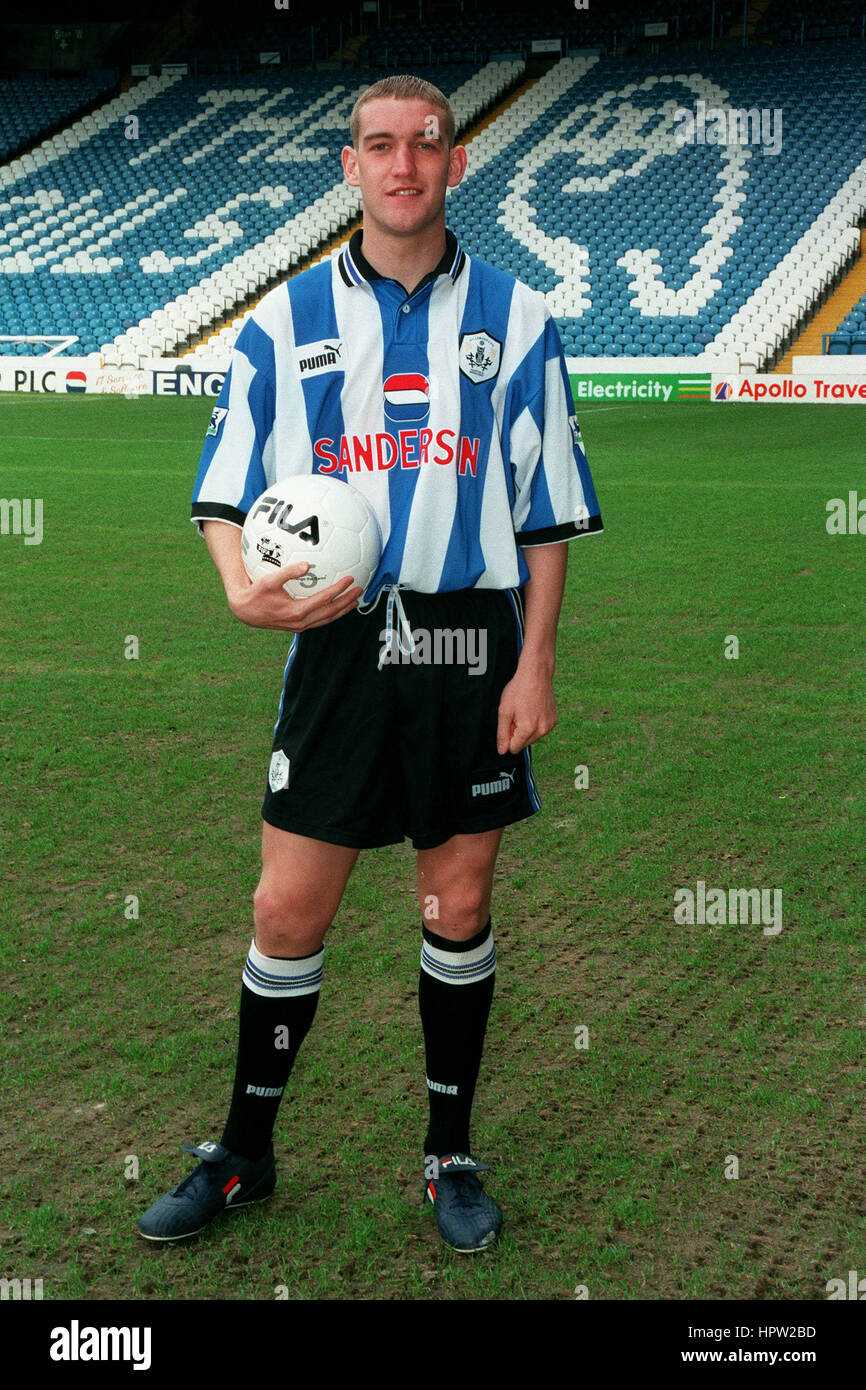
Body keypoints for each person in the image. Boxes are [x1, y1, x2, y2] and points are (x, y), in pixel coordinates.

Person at [138, 74, 602, 1254]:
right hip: (338, 641)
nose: (403, 166)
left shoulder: (523, 319)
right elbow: (225, 491)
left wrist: (533, 661)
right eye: (380, 146)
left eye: (426, 145)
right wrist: (239, 588)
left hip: (465, 641)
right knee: (284, 911)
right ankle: (244, 1149)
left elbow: (544, 514)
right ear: (349, 167)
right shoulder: (280, 323)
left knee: (456, 900)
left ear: (455, 163)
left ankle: (448, 1151)